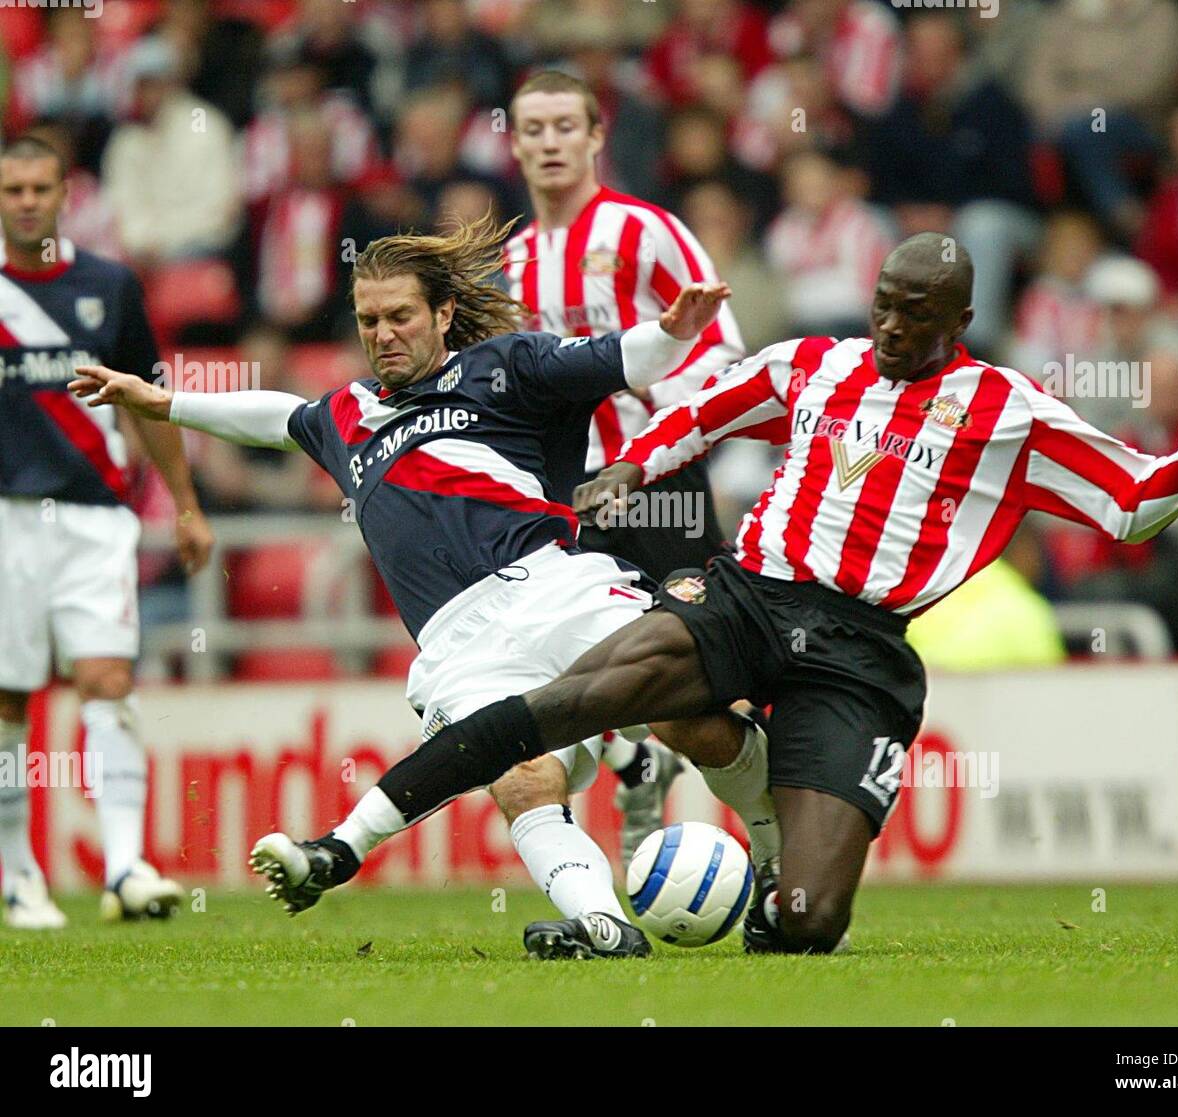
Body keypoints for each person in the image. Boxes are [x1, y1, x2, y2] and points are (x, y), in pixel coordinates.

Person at [313, 232, 1178, 954]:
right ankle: (346, 846)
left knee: (810, 921)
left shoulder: (1008, 410)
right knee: (569, 699)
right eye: (884, 305)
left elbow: (1130, 505)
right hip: (749, 597)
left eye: (916, 316)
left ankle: (767, 886)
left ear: (959, 325)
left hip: (860, 650)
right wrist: (631, 471)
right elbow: (704, 409)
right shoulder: (816, 364)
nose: (891, 327)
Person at [70, 219, 779, 960]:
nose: (383, 333)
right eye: (368, 320)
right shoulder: (346, 416)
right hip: (456, 639)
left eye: (400, 315)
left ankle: (778, 862)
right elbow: (275, 416)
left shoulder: (506, 367)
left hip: (554, 583)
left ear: (442, 313)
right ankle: (604, 926)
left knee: (687, 716)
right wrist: (162, 402)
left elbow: (620, 357)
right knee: (520, 779)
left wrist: (671, 333)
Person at [503, 70, 747, 866]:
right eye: (532, 128)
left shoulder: (647, 233)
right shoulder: (507, 264)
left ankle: (760, 851)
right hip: (562, 498)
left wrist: (652, 430)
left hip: (656, 486)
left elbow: (724, 347)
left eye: (564, 126)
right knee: (568, 665)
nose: (548, 142)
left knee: (702, 674)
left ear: (597, 136)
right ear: (513, 142)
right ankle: (632, 763)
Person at [0, 134, 214, 928]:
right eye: (12, 188)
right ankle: (20, 874)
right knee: (9, 698)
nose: (26, 201)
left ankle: (125, 864)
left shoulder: (109, 287)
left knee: (107, 680)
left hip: (95, 516)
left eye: (38, 188)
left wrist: (185, 502)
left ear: (65, 195)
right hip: (4, 521)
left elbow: (145, 402)